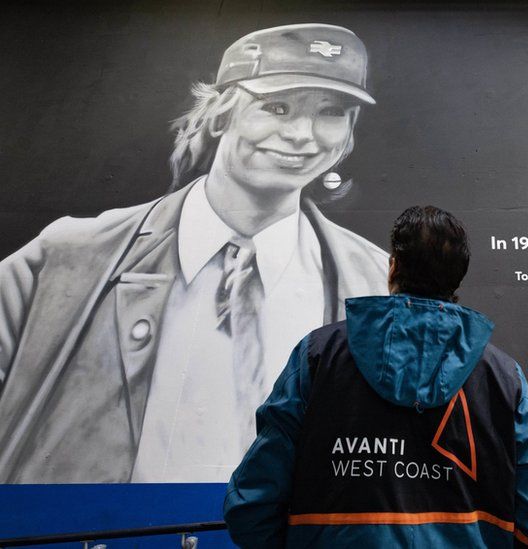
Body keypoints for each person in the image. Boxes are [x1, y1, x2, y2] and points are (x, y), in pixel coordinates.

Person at [0, 24, 388, 483]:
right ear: (221, 114)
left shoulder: (378, 280)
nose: (303, 134)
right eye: (276, 107)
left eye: (331, 112)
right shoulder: (65, 257)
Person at [224, 206, 528, 549]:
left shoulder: (317, 356)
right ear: (457, 278)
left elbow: (253, 502)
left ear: (393, 265)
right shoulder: (504, 377)